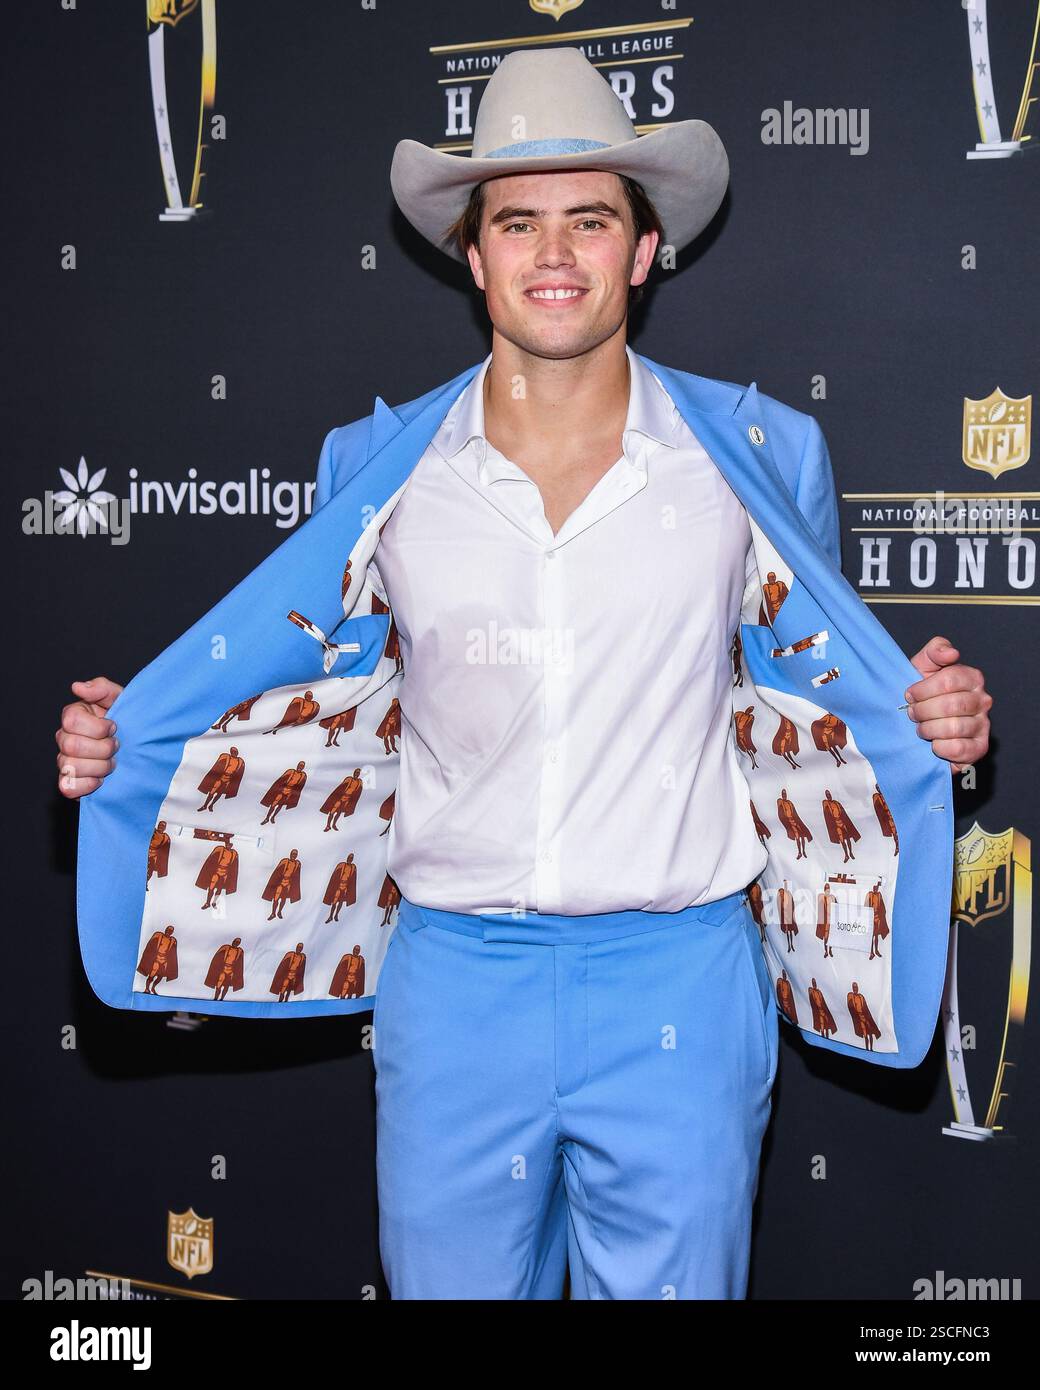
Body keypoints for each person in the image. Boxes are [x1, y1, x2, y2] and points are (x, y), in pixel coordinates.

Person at [56, 49, 991, 1300]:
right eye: (519, 223)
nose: (555, 254)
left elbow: (821, 707)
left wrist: (936, 723)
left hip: (682, 983)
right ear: (472, 254)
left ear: (642, 250)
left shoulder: (761, 456)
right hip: (452, 987)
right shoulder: (375, 470)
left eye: (589, 220)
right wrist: (133, 753)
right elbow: (307, 713)